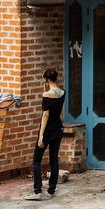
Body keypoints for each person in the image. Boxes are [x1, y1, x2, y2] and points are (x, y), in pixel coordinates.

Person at [25, 68, 65, 201]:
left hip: (47, 130)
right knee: (54, 160)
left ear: (46, 79)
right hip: (58, 129)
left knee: (36, 160)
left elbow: (45, 115)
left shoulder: (46, 95)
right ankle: (51, 190)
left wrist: (41, 135)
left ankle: (37, 191)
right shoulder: (62, 92)